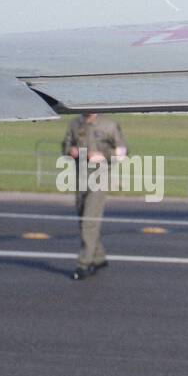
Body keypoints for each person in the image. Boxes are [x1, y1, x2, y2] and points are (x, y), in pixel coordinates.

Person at [62, 113, 128, 281]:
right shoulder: (75, 123)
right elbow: (66, 145)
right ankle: (99, 257)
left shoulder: (109, 125)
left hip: (100, 176)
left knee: (89, 221)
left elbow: (122, 152)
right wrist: (71, 151)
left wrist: (103, 155)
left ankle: (84, 264)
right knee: (83, 217)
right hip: (81, 176)